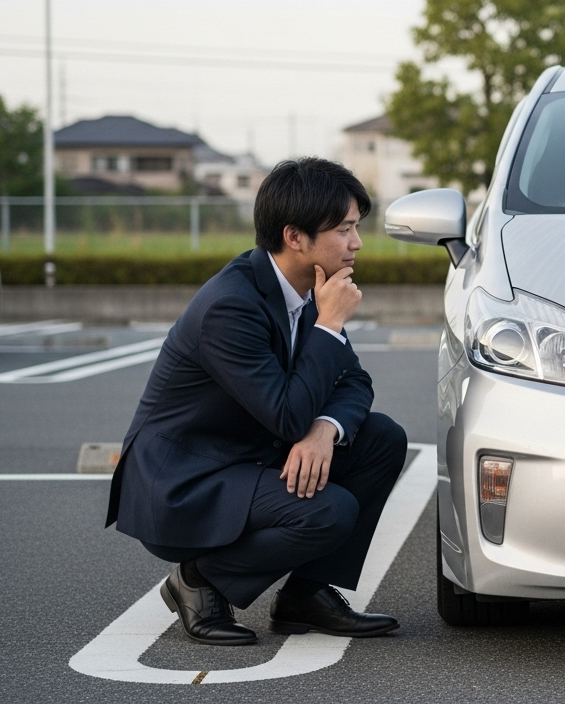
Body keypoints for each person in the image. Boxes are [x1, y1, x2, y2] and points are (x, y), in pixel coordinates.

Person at [106, 157, 408, 646]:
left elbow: (354, 382)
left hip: (250, 453)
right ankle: (200, 581)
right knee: (328, 511)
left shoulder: (309, 287)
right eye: (345, 229)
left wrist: (325, 428)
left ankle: (305, 596)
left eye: (357, 228)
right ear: (294, 236)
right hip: (187, 478)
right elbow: (288, 416)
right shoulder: (231, 306)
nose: (357, 243)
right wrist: (328, 328)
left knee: (382, 438)